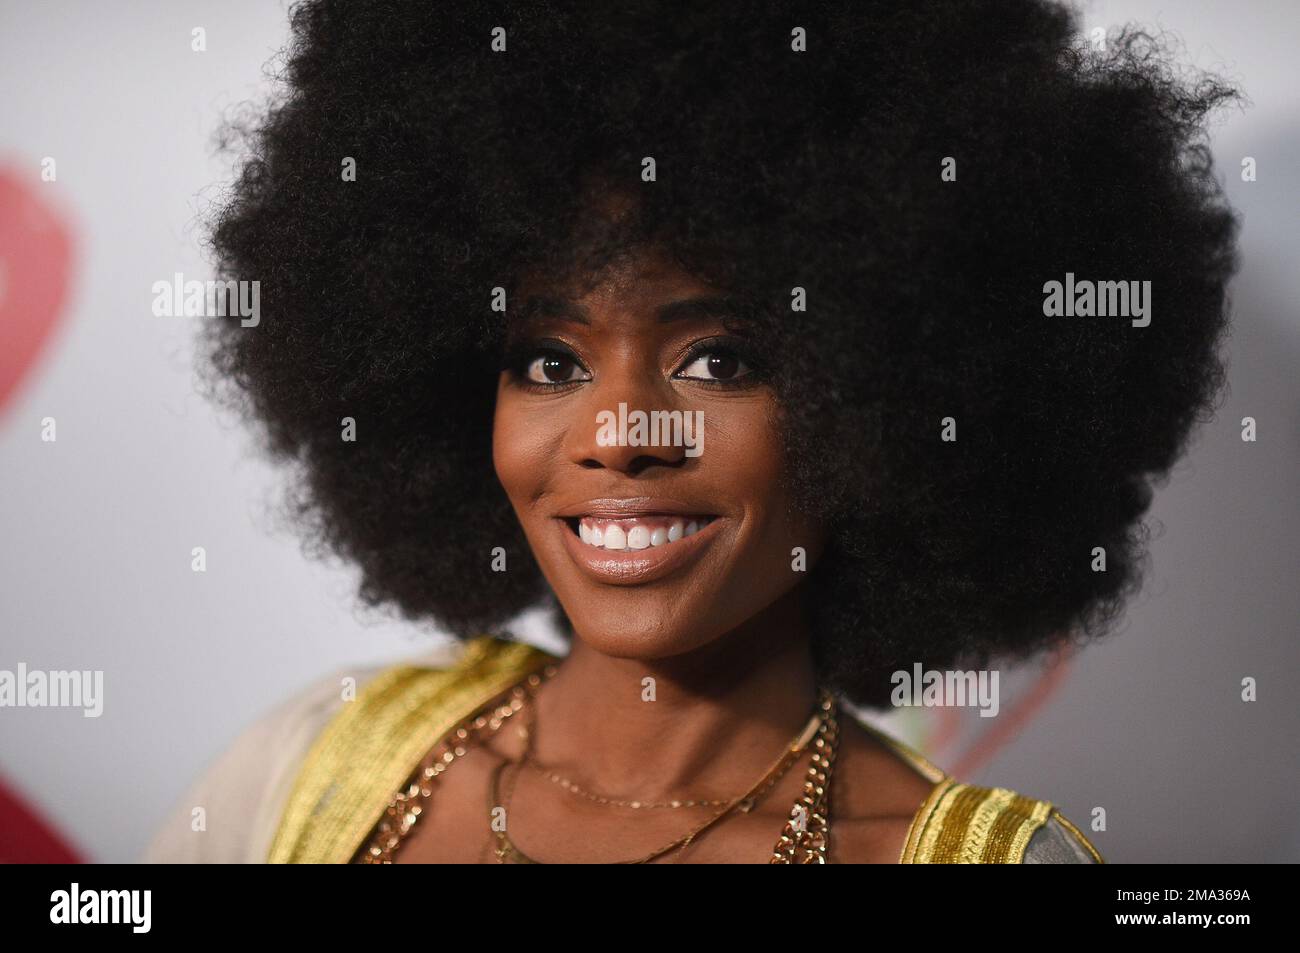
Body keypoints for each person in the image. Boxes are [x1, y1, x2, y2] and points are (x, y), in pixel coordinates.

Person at [144, 0, 1239, 863]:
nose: (617, 434)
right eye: (549, 360)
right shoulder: (315, 765)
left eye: (722, 358)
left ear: (881, 399)